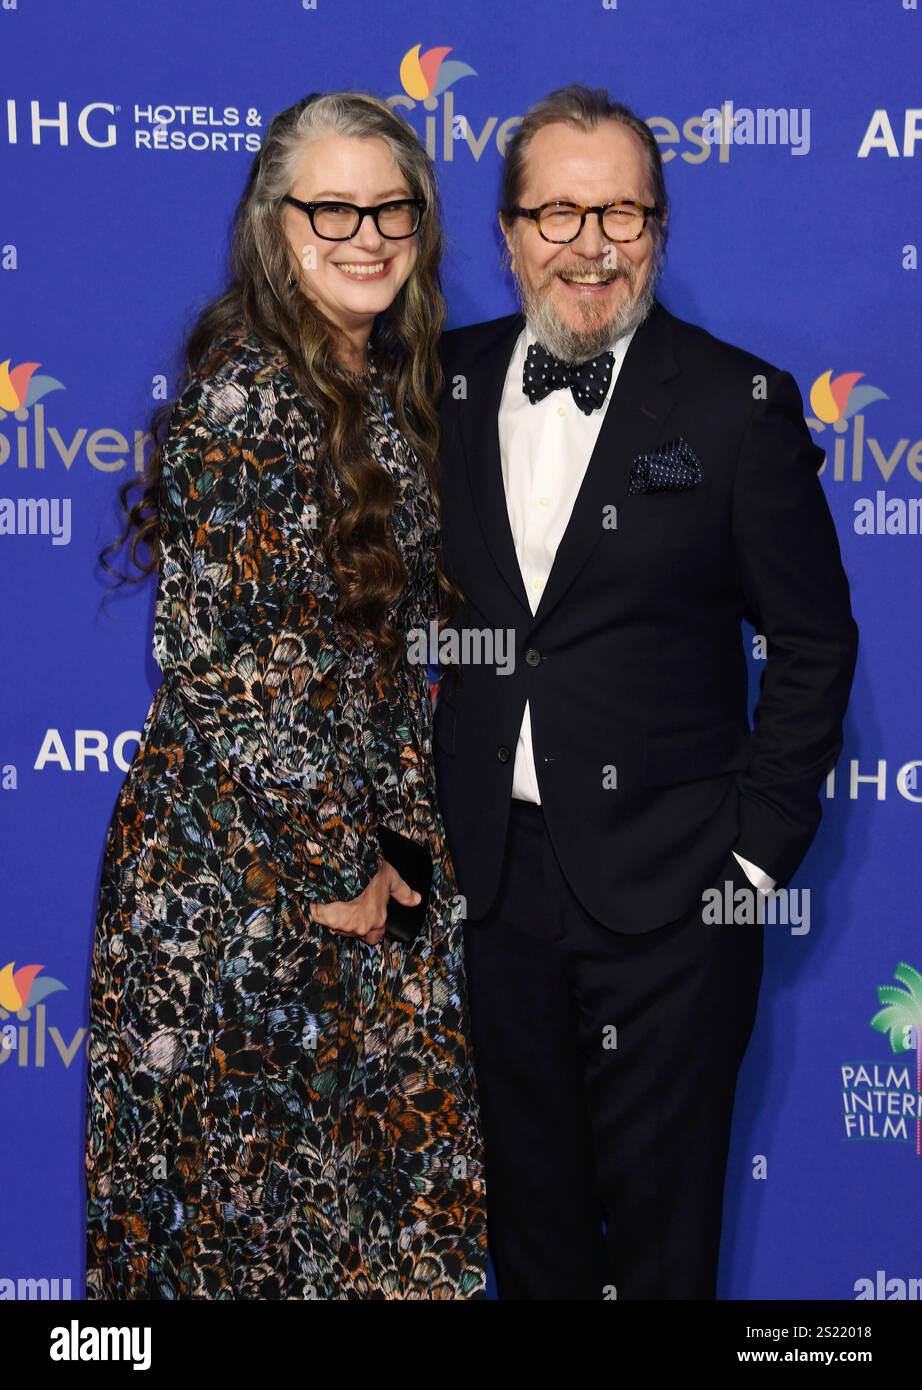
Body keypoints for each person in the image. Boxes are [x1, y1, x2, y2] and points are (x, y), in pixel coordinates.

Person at [434, 83, 859, 1300]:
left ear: (659, 230)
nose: (590, 246)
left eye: (619, 212)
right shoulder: (443, 388)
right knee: (530, 1242)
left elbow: (814, 643)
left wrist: (752, 866)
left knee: (665, 1255)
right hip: (495, 892)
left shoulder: (738, 406)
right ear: (509, 232)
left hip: (677, 904)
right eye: (556, 213)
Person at [86, 91, 487, 1300]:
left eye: (391, 208)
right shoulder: (249, 393)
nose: (365, 234)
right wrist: (338, 868)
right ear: (274, 224)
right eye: (331, 208)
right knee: (257, 1229)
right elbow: (220, 663)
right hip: (252, 884)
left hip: (374, 853)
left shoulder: (390, 388)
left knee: (375, 1220)